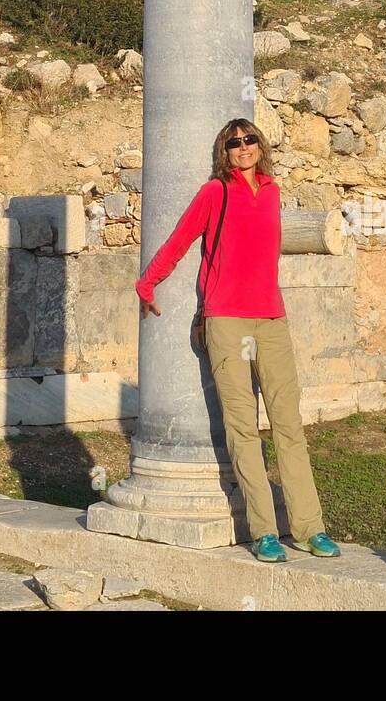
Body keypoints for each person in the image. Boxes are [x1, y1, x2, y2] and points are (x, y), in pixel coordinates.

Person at [135, 117, 340, 563]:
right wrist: (147, 283)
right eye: (234, 143)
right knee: (242, 428)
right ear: (224, 152)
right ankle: (264, 531)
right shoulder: (216, 192)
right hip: (227, 320)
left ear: (260, 146)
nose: (243, 148)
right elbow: (181, 239)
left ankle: (309, 528)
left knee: (289, 425)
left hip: (272, 319)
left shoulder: (271, 190)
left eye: (249, 140)